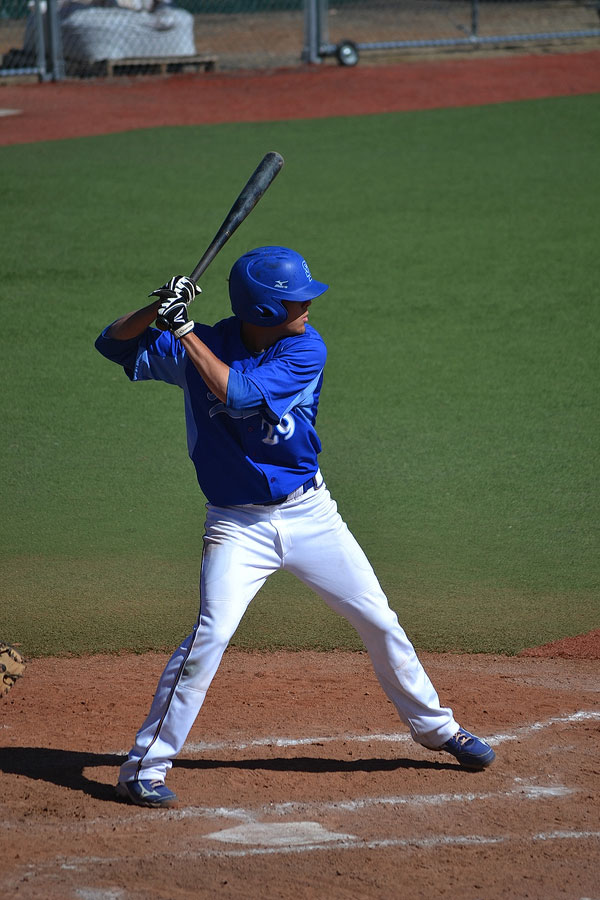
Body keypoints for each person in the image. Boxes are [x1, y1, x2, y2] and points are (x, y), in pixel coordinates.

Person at [95, 245, 496, 809]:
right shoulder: (203, 342)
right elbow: (112, 343)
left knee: (377, 617)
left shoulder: (305, 349)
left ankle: (436, 728)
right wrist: (156, 307)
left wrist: (184, 330)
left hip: (312, 515)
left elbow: (235, 391)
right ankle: (143, 768)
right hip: (236, 526)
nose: (308, 305)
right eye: (295, 299)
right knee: (208, 637)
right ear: (260, 311)